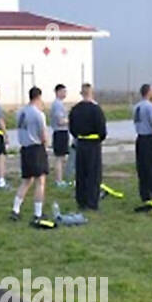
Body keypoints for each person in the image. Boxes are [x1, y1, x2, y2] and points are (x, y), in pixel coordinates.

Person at [11, 87, 52, 226]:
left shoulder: (20, 112)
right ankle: (38, 213)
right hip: (36, 149)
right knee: (40, 181)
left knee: (26, 180)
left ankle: (15, 209)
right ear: (38, 97)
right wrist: (46, 146)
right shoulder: (38, 114)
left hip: (25, 148)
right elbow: (43, 134)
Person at [68, 83, 107, 212]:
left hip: (80, 143)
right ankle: (92, 202)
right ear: (91, 93)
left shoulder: (75, 109)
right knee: (93, 174)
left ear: (81, 93)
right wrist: (98, 138)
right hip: (93, 144)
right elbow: (102, 130)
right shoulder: (96, 110)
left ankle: (81, 201)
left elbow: (72, 128)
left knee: (81, 173)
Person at [50, 83, 71, 187]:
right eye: (63, 91)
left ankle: (61, 179)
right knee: (59, 158)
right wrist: (71, 120)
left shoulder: (61, 104)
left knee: (62, 157)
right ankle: (58, 180)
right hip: (60, 132)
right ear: (58, 92)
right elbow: (60, 121)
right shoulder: (57, 104)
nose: (65, 93)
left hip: (63, 132)